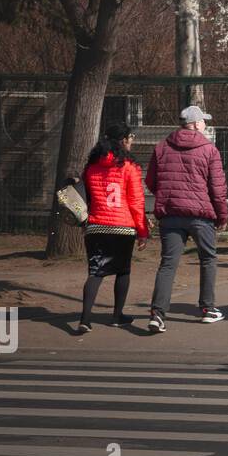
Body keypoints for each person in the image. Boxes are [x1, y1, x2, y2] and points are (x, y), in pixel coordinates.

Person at [146, 105, 228, 332]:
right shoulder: (209, 150)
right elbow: (218, 189)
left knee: (168, 263)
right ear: (196, 124)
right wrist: (222, 215)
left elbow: (151, 181)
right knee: (208, 259)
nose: (206, 125)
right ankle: (207, 308)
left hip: (170, 214)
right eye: (204, 121)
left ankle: (157, 313)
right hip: (200, 216)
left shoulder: (161, 147)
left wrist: (167, 196)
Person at [78, 123, 148, 332]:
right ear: (124, 140)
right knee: (123, 271)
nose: (132, 141)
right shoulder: (130, 167)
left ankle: (85, 319)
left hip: (96, 225)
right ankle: (117, 315)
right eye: (131, 138)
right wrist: (142, 231)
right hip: (122, 227)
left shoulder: (92, 166)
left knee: (95, 272)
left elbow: (86, 197)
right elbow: (136, 201)